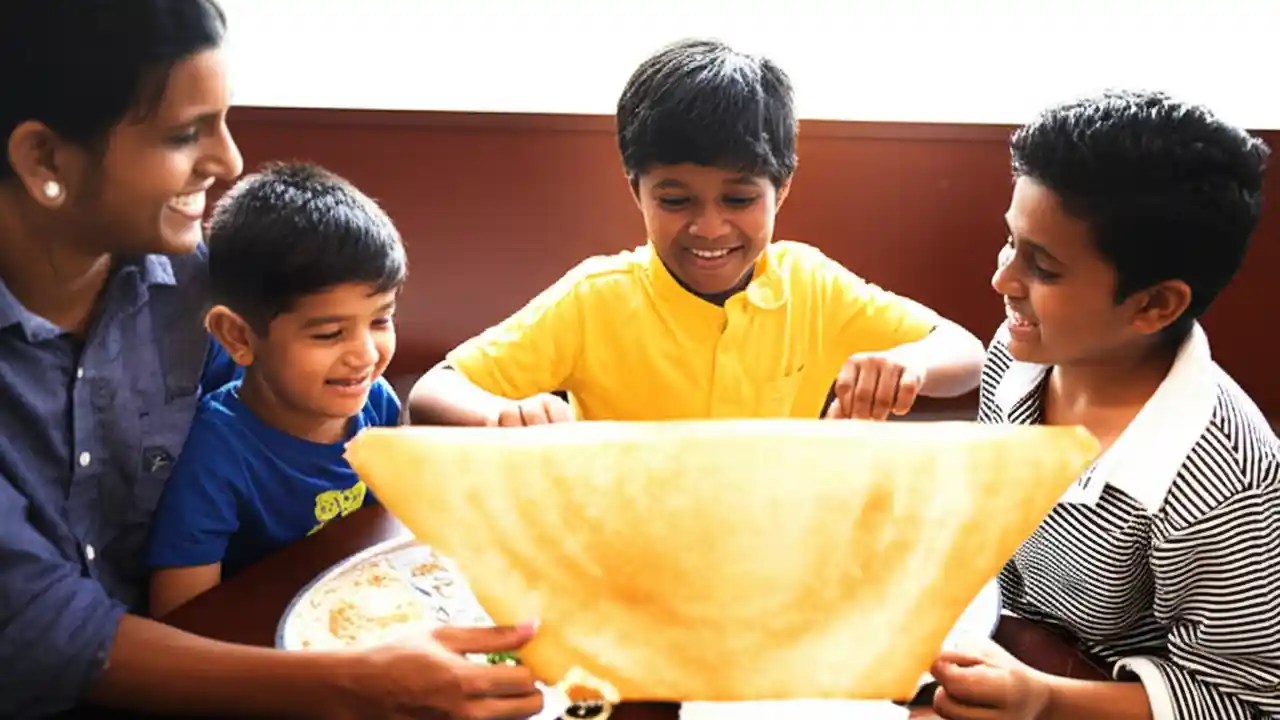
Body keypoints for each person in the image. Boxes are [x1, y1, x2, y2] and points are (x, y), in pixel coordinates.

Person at [0, 3, 541, 718]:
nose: (228, 160)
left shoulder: (192, 284)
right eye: (185, 133)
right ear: (45, 159)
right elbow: (44, 632)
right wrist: (357, 681)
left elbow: (278, 400)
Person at [408, 38, 985, 427]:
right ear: (636, 190)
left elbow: (965, 352)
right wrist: (503, 418)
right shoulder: (595, 298)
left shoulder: (812, 285)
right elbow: (433, 392)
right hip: (624, 546)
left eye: (738, 199)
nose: (709, 227)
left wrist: (911, 367)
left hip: (769, 542)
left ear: (781, 190)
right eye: (675, 199)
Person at [929, 90, 1279, 720]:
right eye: (1011, 243)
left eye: (1043, 267)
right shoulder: (1017, 358)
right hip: (995, 643)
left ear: (1154, 305)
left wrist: (1046, 699)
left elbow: (1247, 703)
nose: (1002, 280)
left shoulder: (1232, 485)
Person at [146, 162, 406, 618]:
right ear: (239, 339)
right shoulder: (214, 457)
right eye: (329, 334)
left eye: (380, 320)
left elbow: (386, 536)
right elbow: (182, 617)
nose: (364, 354)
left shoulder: (378, 402)